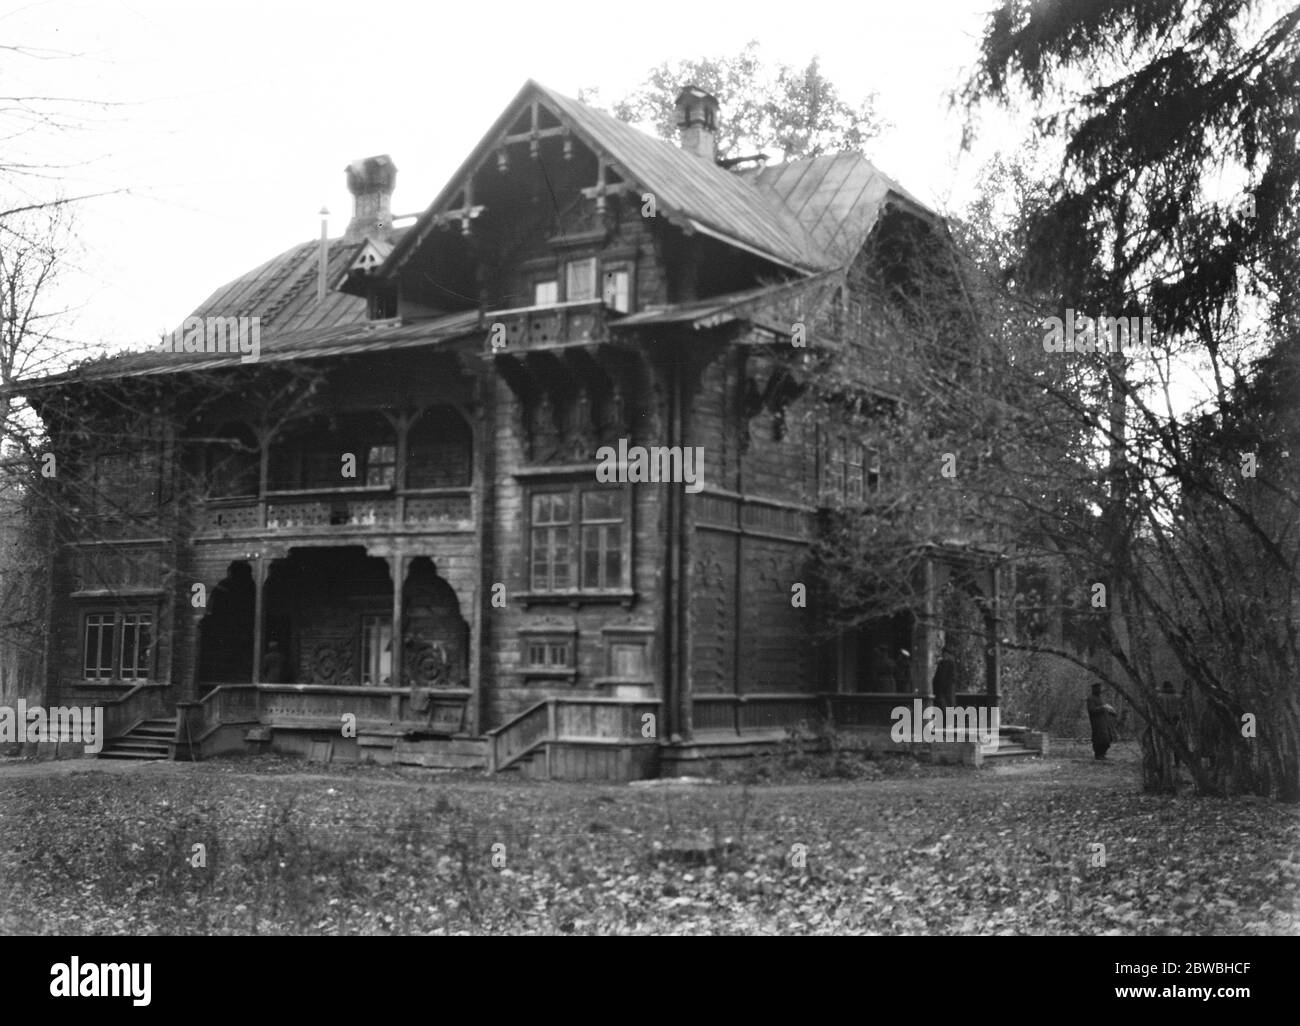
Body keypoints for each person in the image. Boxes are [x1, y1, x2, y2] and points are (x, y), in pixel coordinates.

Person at [1087, 683, 1117, 760]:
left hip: (1104, 722)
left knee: (1108, 739)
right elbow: (1092, 710)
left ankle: (1102, 754)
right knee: (1099, 739)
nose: (1099, 690)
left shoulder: (1099, 698)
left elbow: (1104, 709)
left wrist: (1110, 711)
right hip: (1096, 723)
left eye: (1099, 688)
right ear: (1094, 689)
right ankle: (1098, 755)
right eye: (1097, 688)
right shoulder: (1090, 698)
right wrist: (1103, 707)